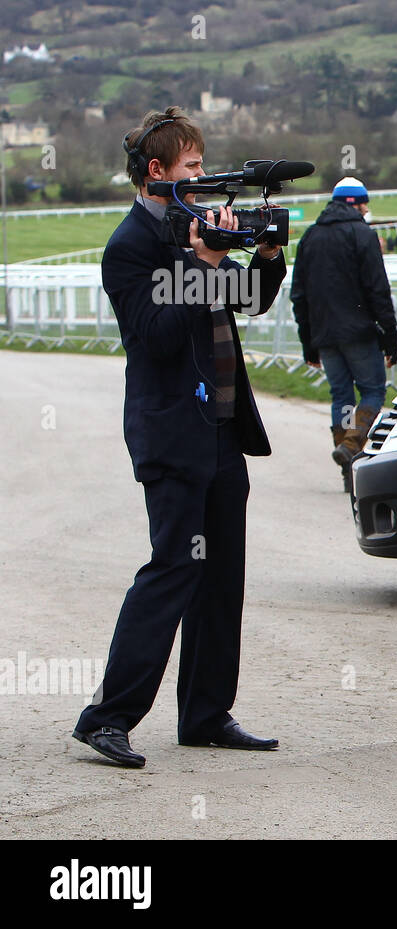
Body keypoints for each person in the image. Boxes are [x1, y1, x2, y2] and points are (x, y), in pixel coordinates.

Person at [72, 107, 286, 768]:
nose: (202, 179)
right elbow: (158, 337)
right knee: (172, 570)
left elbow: (246, 298)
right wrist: (202, 259)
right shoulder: (129, 246)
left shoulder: (192, 229)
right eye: (192, 169)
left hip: (221, 431)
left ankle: (205, 712)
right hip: (171, 434)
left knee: (222, 577)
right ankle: (107, 717)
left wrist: (268, 256)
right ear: (156, 171)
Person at [291, 176, 397, 491]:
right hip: (360, 333)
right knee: (374, 392)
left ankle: (347, 470)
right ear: (355, 203)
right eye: (364, 204)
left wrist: (308, 344)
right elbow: (378, 290)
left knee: (341, 396)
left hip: (324, 335)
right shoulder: (362, 234)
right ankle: (352, 448)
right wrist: (390, 337)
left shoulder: (310, 237)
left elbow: (299, 296)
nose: (367, 210)